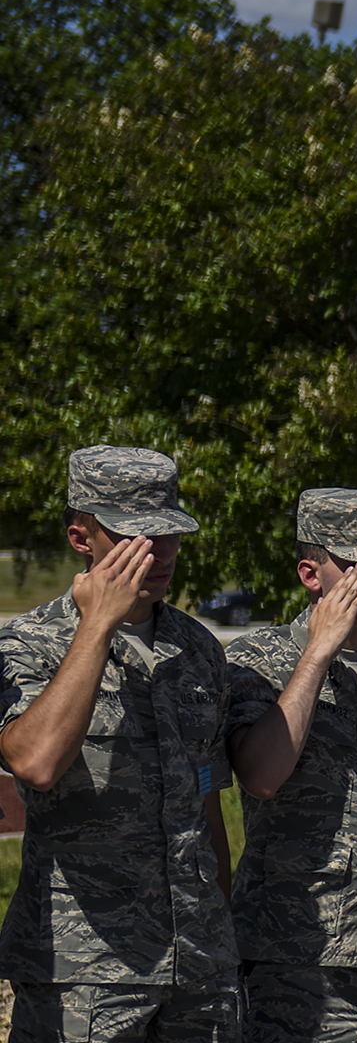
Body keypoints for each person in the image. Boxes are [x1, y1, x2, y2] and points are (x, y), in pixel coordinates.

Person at [0, 445, 239, 1041]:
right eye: (136, 534)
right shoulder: (29, 644)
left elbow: (206, 801)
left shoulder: (199, 649)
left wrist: (220, 929)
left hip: (199, 965)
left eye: (169, 533)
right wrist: (98, 624)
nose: (158, 552)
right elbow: (35, 761)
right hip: (87, 972)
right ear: (82, 537)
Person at [227, 489, 357, 1043]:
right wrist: (318, 653)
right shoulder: (257, 661)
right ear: (311, 575)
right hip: (295, 950)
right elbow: (261, 777)